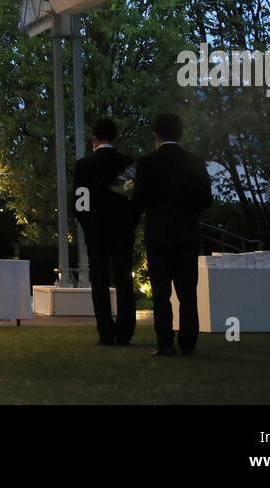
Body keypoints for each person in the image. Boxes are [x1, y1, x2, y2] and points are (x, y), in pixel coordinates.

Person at [133, 113, 212, 357]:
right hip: (187, 233)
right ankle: (188, 342)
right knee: (187, 292)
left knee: (161, 293)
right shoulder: (195, 162)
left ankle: (165, 342)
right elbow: (205, 199)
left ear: (156, 134)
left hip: (158, 234)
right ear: (181, 133)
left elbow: (139, 201)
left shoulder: (146, 163)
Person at [73, 118, 139, 346]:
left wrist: (88, 223)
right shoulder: (128, 163)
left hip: (97, 230)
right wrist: (130, 223)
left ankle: (106, 331)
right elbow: (134, 200)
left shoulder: (84, 165)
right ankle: (125, 331)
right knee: (123, 280)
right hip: (122, 230)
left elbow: (80, 202)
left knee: (99, 281)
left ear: (94, 138)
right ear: (115, 137)